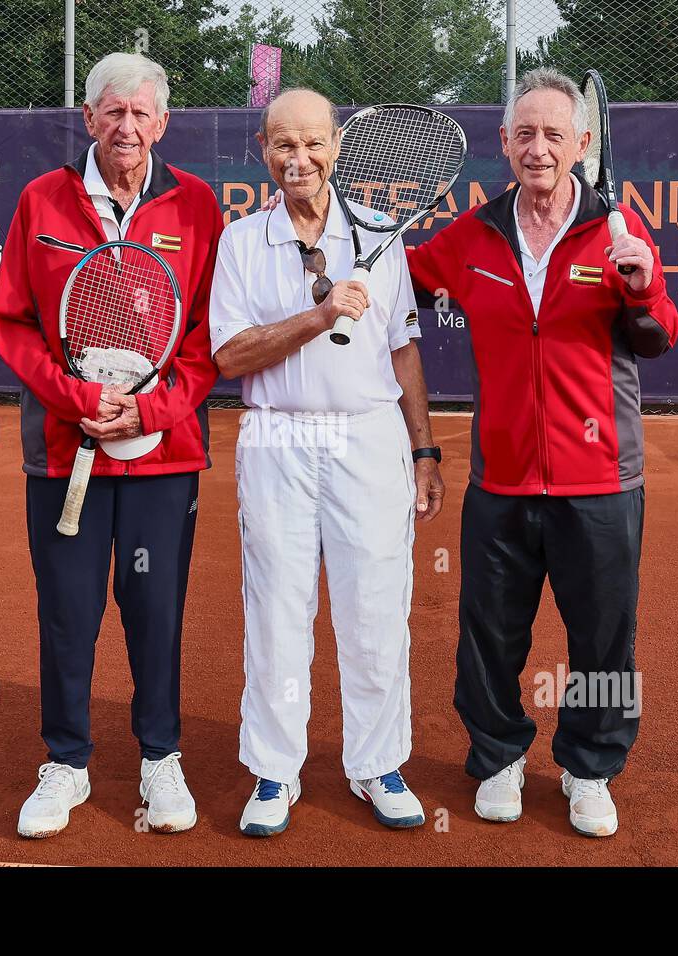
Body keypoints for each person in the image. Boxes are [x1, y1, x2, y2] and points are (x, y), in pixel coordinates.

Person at [405, 67, 678, 837]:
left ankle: (590, 768)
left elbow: (657, 338)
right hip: (503, 478)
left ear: (581, 144)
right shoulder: (473, 235)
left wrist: (642, 289)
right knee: (489, 630)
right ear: (504, 142)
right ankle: (497, 756)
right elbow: (402, 284)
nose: (538, 148)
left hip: (600, 480)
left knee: (601, 638)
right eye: (524, 134)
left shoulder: (619, 233)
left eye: (554, 134)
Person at [0, 52, 223, 837]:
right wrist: (82, 399)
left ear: (163, 121)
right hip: (63, 451)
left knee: (155, 607)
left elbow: (206, 338)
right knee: (69, 608)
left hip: (164, 454)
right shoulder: (41, 202)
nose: (127, 127)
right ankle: (66, 763)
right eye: (112, 112)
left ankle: (161, 759)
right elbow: (14, 323)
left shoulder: (197, 209)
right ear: (88, 118)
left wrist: (150, 410)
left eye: (141, 114)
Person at [209, 88, 445, 837]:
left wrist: (424, 450)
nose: (298, 159)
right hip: (276, 437)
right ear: (263, 149)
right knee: (277, 611)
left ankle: (377, 764)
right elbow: (229, 354)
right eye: (283, 144)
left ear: (337, 147)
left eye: (312, 144)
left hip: (369, 439)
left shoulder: (382, 236)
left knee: (375, 608)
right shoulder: (241, 241)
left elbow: (403, 348)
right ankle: (275, 771)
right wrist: (319, 315)